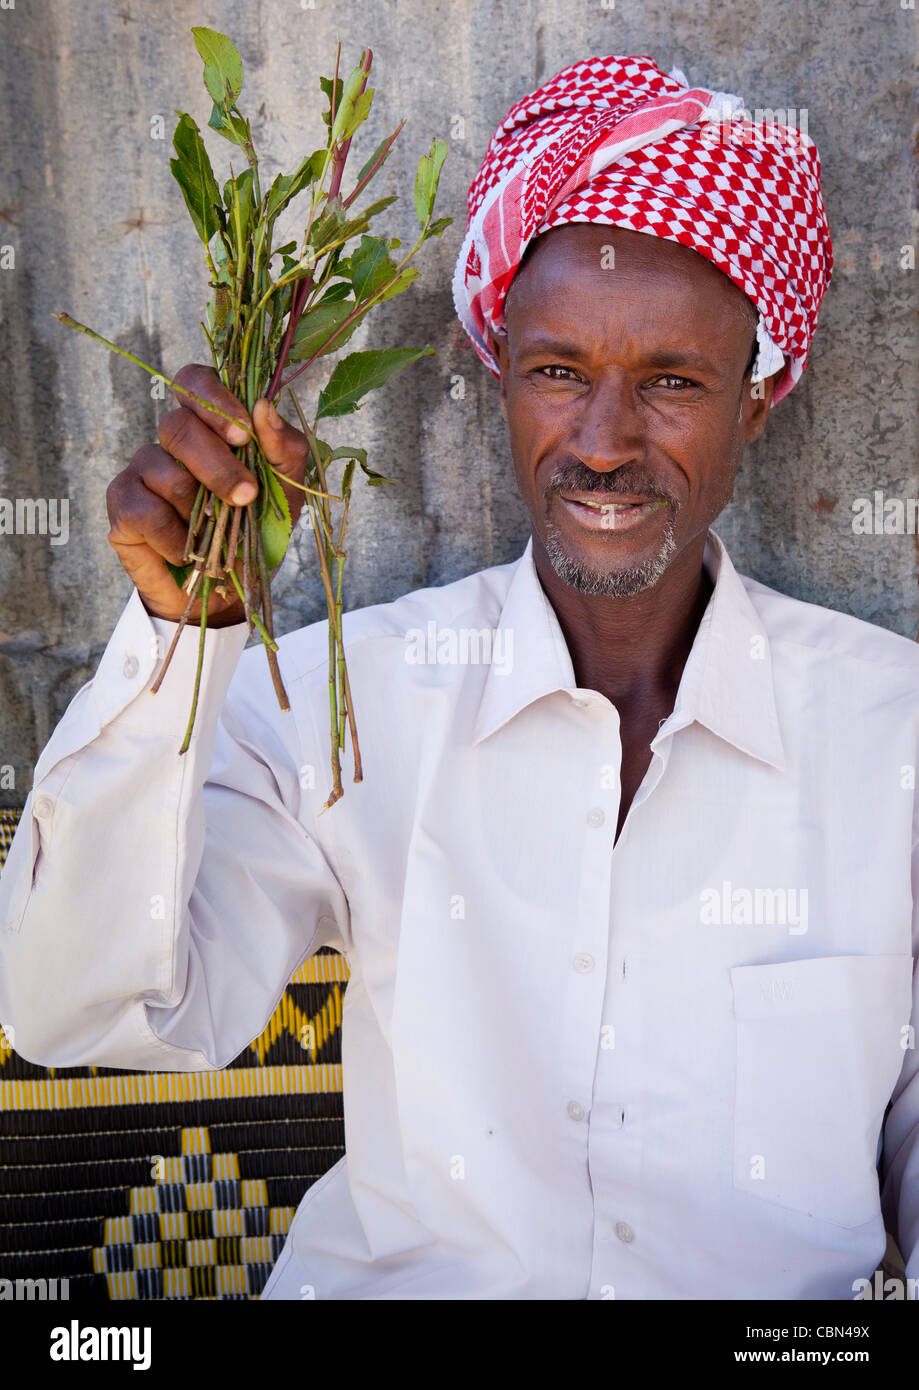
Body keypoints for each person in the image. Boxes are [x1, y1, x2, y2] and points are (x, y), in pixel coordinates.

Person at [1, 52, 916, 1302]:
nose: (600, 444)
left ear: (757, 402)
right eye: (556, 372)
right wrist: (175, 645)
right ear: (501, 375)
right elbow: (78, 1013)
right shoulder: (342, 703)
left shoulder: (888, 731)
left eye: (672, 382)